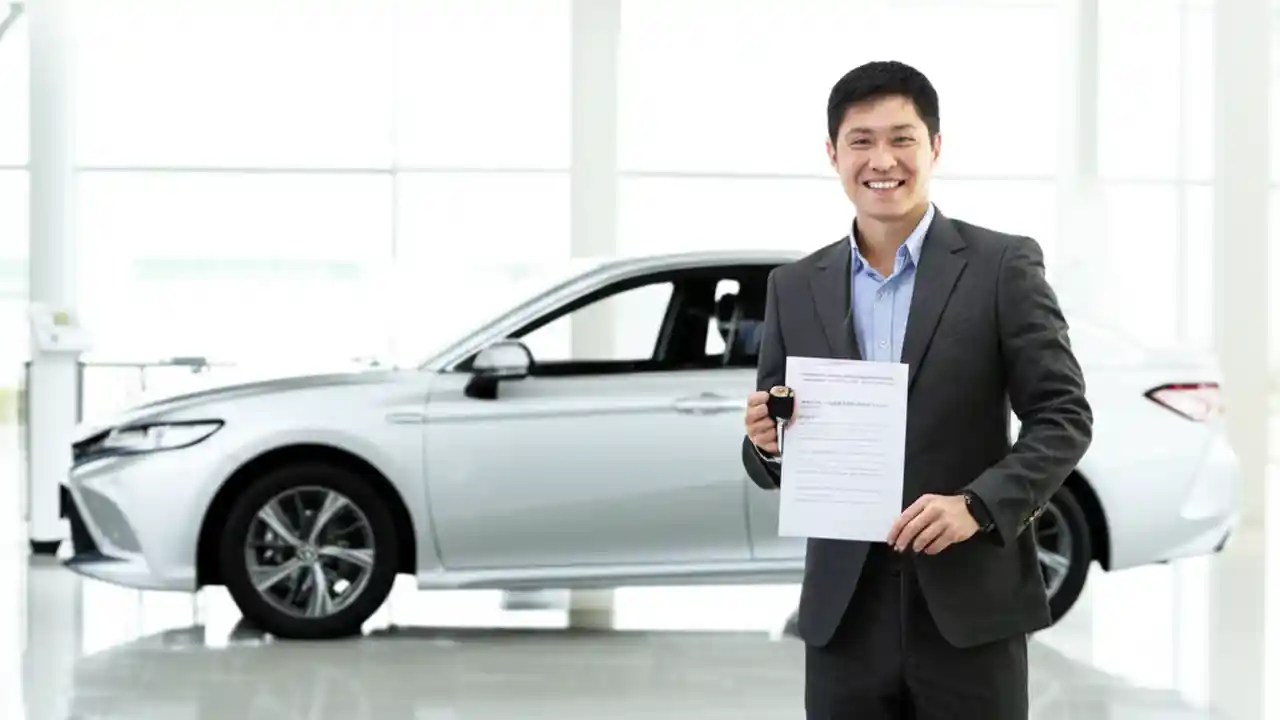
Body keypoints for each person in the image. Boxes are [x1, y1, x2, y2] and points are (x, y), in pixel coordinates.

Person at [740, 60, 1093, 720]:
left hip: (969, 602)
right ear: (833, 154)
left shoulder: (1001, 266)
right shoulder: (795, 286)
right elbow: (774, 451)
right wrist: (767, 444)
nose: (883, 159)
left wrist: (978, 505)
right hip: (845, 611)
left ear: (934, 146)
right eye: (862, 140)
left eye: (902, 138)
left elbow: (1063, 415)